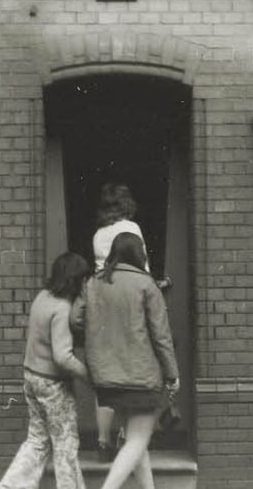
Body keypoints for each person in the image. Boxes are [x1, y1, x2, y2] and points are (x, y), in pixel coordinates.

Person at [79, 233, 180, 489]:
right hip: (141, 376)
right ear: (139, 253)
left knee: (137, 443)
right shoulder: (146, 284)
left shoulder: (94, 282)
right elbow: (161, 335)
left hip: (107, 376)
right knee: (137, 440)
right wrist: (172, 373)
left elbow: (76, 319)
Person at [0, 253, 91, 489]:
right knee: (65, 445)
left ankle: (9, 486)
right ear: (75, 280)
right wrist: (90, 375)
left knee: (37, 440)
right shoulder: (61, 308)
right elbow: (63, 357)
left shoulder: (42, 297)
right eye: (83, 279)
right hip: (53, 385)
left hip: (31, 377)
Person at [89, 183, 150, 461]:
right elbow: (142, 265)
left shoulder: (98, 234)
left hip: (103, 300)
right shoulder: (132, 229)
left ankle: (102, 441)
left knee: (106, 376)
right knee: (128, 373)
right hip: (129, 300)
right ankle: (127, 435)